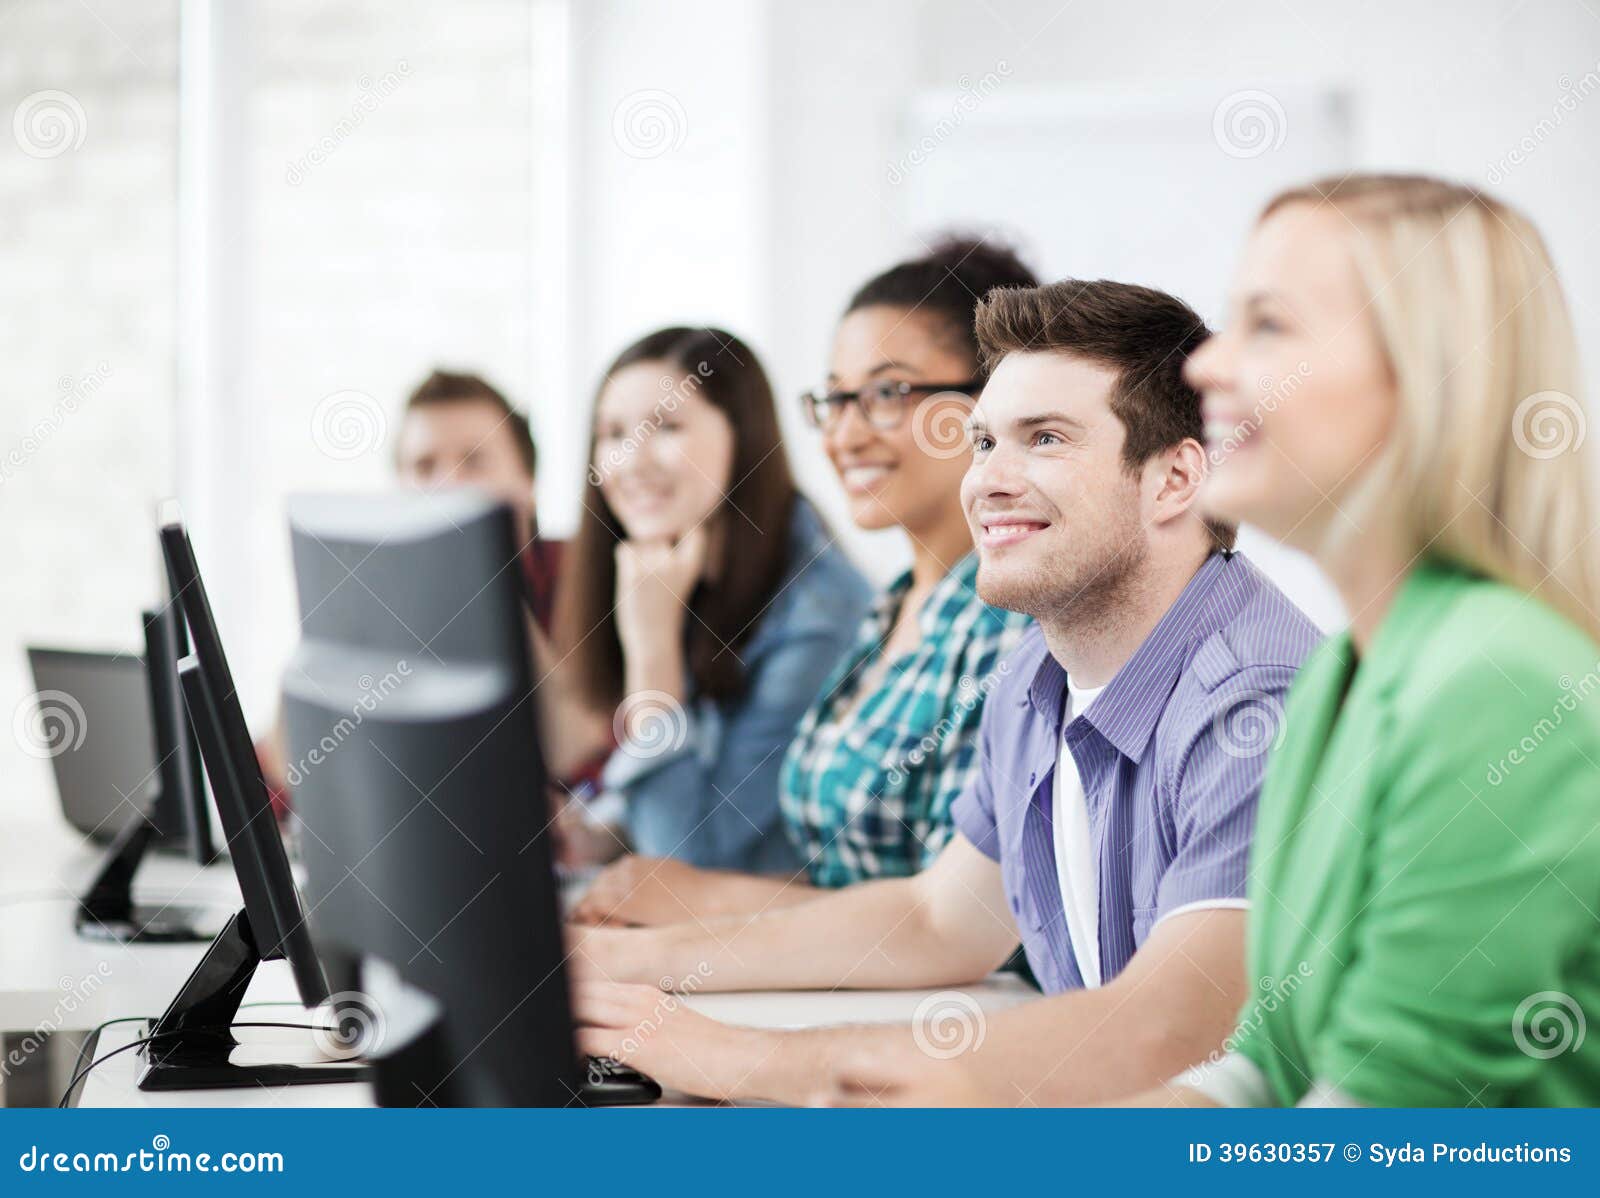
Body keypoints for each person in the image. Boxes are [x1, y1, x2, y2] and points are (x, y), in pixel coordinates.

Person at [568, 278, 1322, 1106]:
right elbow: (937, 921)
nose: (988, 482)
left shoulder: (1258, 703)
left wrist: (739, 1059)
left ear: (1175, 480)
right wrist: (623, 966)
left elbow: (1171, 1028)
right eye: (982, 442)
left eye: (1044, 439)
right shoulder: (1038, 674)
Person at [1112, 174, 1600, 1108]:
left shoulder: (1498, 685)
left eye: (1269, 326)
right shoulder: (1343, 668)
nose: (1206, 368)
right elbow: (1271, 1065)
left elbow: (1377, 1130)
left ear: (1431, 371)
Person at [571, 238, 1038, 925]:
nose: (843, 436)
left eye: (885, 393)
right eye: (835, 398)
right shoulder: (889, 613)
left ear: (994, 400)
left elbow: (947, 925)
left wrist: (652, 657)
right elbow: (823, 876)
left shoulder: (999, 625)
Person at [546, 327, 871, 875]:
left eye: (667, 427)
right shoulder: (680, 566)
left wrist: (653, 657)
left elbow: (689, 859)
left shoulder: (821, 614)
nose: (631, 462)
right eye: (613, 433)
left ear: (742, 438)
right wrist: (598, 834)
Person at [394, 369, 561, 631]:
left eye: (474, 461)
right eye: (424, 466)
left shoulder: (588, 581)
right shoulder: (387, 604)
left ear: (528, 482)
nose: (448, 485)